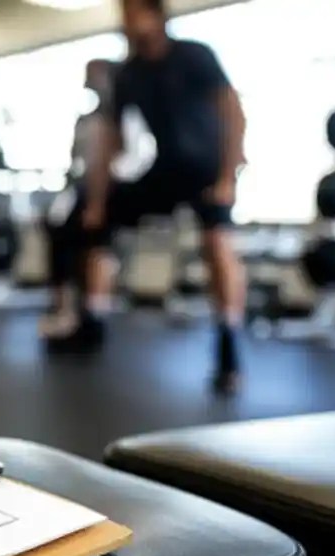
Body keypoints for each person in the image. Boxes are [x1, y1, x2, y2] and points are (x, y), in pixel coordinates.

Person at [73, 0, 248, 395]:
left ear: (155, 15)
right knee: (97, 225)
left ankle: (229, 342)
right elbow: (111, 141)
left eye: (133, 13)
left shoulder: (194, 56)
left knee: (217, 240)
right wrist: (98, 201)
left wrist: (228, 176)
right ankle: (93, 321)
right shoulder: (129, 73)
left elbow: (233, 111)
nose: (127, 22)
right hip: (165, 169)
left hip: (207, 168)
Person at [41, 59, 118, 338]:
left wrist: (101, 196)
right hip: (81, 189)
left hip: (111, 190)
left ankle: (94, 314)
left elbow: (130, 157)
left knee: (97, 247)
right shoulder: (86, 119)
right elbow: (76, 161)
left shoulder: (122, 116)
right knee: (59, 239)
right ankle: (63, 308)